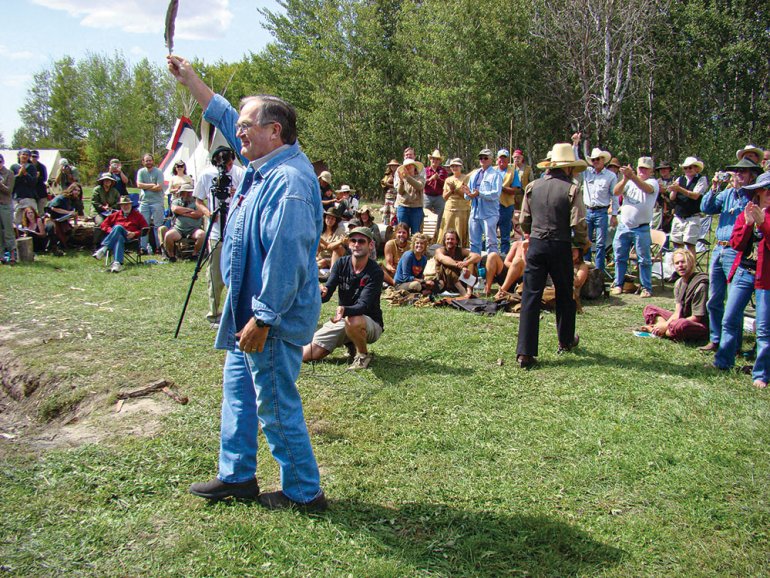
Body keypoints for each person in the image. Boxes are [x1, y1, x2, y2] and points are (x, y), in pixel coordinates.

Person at [169, 54, 327, 510]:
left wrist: (262, 317)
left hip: (268, 319)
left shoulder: (289, 182)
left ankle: (304, 493)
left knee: (275, 405)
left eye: (245, 126)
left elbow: (287, 260)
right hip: (248, 315)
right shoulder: (264, 165)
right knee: (238, 394)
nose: (237, 133)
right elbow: (219, 114)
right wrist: (192, 80)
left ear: (273, 130)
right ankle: (237, 476)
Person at [516, 143, 588, 368]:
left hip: (537, 244)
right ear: (568, 168)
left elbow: (523, 221)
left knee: (530, 296)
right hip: (560, 245)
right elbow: (579, 223)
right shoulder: (572, 189)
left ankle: (525, 353)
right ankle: (565, 340)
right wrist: (582, 243)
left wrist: (534, 232)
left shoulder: (532, 186)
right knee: (565, 294)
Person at [711, 172, 770, 387]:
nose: (769, 193)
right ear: (758, 192)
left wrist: (763, 224)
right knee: (729, 318)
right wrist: (746, 224)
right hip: (744, 271)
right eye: (766, 189)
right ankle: (723, 361)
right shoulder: (748, 211)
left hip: (766, 278)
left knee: (764, 329)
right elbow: (736, 244)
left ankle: (761, 374)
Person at [698, 157, 762, 352]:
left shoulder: (752, 197)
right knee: (714, 297)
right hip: (719, 247)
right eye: (736, 171)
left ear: (752, 176)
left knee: (734, 300)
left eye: (743, 172)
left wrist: (741, 190)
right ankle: (716, 339)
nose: (738, 175)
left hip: (737, 250)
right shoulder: (726, 194)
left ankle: (732, 344)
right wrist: (715, 187)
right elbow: (706, 208)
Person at [303, 226, 384, 370]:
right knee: (308, 354)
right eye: (353, 240)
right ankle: (350, 343)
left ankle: (363, 355)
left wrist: (343, 310)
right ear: (349, 243)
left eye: (361, 241)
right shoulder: (341, 264)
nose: (356, 244)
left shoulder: (375, 272)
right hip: (344, 318)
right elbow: (327, 294)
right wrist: (319, 292)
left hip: (369, 322)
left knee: (353, 319)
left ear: (370, 245)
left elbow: (363, 306)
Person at [193, 145, 246, 327]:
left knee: (237, 272)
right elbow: (198, 201)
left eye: (231, 163)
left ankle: (235, 312)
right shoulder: (207, 175)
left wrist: (238, 196)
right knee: (215, 273)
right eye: (225, 164)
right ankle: (214, 313)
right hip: (216, 231)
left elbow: (250, 197)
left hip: (237, 230)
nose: (228, 167)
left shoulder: (240, 173)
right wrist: (209, 213)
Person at [611, 157, 660, 298]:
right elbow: (616, 192)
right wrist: (626, 179)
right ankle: (618, 284)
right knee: (619, 256)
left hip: (641, 228)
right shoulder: (630, 182)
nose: (642, 171)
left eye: (645, 168)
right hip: (624, 226)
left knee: (644, 260)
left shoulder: (653, 182)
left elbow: (646, 188)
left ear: (651, 171)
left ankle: (646, 287)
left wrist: (632, 176)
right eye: (640, 168)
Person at [641, 248, 709, 341]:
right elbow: (678, 312)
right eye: (677, 263)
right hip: (682, 317)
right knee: (649, 309)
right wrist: (666, 324)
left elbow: (697, 317)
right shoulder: (679, 283)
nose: (680, 266)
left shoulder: (701, 285)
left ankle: (661, 330)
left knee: (680, 325)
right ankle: (661, 328)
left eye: (683, 262)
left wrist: (667, 325)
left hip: (696, 323)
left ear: (691, 263)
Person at [581, 147, 618, 272]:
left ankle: (599, 272)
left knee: (601, 244)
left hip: (601, 211)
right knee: (586, 242)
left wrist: (614, 215)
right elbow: (576, 161)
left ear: (603, 160)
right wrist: (575, 145)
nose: (595, 161)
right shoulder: (586, 172)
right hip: (587, 211)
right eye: (593, 159)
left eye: (597, 159)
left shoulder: (610, 176)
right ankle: (585, 269)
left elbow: (615, 196)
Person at [92, 195, 148, 273]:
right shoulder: (115, 215)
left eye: (127, 204)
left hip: (130, 239)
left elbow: (145, 229)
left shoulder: (138, 215)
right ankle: (117, 264)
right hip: (118, 238)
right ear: (120, 206)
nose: (125, 206)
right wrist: (112, 231)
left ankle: (104, 249)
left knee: (118, 227)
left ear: (131, 205)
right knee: (118, 235)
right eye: (123, 205)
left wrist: (134, 233)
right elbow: (103, 225)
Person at [667, 156, 708, 258]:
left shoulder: (701, 179)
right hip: (678, 216)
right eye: (686, 168)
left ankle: (691, 269)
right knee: (677, 244)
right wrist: (674, 190)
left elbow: (695, 195)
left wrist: (679, 188)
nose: (688, 170)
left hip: (692, 216)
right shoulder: (679, 179)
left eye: (690, 167)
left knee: (690, 244)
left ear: (696, 168)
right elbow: (672, 198)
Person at [466, 148, 503, 256]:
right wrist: (467, 194)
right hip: (475, 212)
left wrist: (480, 194)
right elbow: (468, 192)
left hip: (489, 214)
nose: (482, 160)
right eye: (481, 158)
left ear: (491, 159)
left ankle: (492, 269)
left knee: (491, 243)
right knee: (473, 243)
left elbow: (496, 194)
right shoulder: (474, 174)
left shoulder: (496, 175)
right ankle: (475, 268)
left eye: (485, 158)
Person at [164, 183, 205, 261]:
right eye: (187, 192)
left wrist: (183, 212)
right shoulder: (176, 201)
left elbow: (199, 214)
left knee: (202, 235)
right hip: (178, 229)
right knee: (168, 235)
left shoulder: (197, 202)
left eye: (191, 192)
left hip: (194, 229)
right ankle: (171, 256)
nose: (189, 194)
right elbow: (175, 209)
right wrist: (191, 211)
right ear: (182, 193)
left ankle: (194, 254)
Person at [434, 229, 480, 296]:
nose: (450, 241)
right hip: (445, 280)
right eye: (448, 239)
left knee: (471, 262)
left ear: (456, 241)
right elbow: (443, 259)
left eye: (452, 239)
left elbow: (477, 256)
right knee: (447, 265)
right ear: (444, 241)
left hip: (461, 279)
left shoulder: (460, 250)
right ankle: (463, 291)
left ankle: (469, 290)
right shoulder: (440, 250)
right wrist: (460, 266)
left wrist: (466, 263)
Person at [136, 153, 166, 253]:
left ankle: (159, 247)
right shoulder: (141, 172)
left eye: (150, 160)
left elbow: (159, 187)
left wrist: (146, 186)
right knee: (144, 226)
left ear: (153, 161)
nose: (148, 162)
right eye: (146, 160)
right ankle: (143, 248)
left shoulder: (158, 172)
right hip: (144, 202)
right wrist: (152, 185)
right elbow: (139, 185)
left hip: (157, 202)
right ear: (143, 162)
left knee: (158, 226)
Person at [437, 158, 470, 247]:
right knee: (446, 228)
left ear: (461, 167)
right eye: (452, 166)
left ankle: (460, 248)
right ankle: (444, 248)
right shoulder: (448, 179)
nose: (454, 168)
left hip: (462, 209)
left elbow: (466, 196)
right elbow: (444, 197)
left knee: (460, 230)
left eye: (456, 166)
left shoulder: (466, 178)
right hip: (449, 208)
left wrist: (456, 189)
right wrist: (451, 191)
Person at [496, 149, 522, 255]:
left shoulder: (513, 172)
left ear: (507, 159)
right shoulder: (491, 171)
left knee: (505, 236)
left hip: (506, 207)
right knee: (489, 234)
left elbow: (515, 190)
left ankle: (504, 257)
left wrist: (501, 188)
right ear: (497, 159)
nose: (502, 160)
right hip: (492, 207)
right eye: (500, 158)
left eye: (504, 158)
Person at [46, 183, 81, 255]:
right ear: (71, 190)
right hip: (51, 218)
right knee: (54, 230)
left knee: (68, 231)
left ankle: (64, 246)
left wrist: (75, 224)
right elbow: (53, 208)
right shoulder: (62, 198)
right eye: (75, 190)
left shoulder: (75, 200)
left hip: (62, 219)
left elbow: (75, 212)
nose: (77, 192)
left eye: (78, 191)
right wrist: (68, 212)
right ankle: (53, 247)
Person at [395, 159, 425, 235]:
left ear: (414, 167)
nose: (408, 167)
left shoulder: (420, 178)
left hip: (416, 208)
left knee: (416, 232)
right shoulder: (402, 178)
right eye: (406, 166)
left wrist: (408, 177)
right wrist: (401, 181)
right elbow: (400, 192)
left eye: (410, 165)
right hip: (403, 207)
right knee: (402, 231)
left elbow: (419, 186)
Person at [424, 149, 448, 241]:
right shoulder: (425, 170)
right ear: (431, 160)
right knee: (425, 217)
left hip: (439, 197)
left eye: (437, 159)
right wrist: (430, 179)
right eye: (433, 159)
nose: (435, 161)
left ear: (439, 161)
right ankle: (425, 238)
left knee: (439, 218)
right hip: (427, 196)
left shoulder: (443, 171)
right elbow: (421, 183)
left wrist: (438, 179)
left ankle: (436, 238)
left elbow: (445, 184)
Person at [11, 148, 38, 226]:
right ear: (19, 155)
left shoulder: (31, 167)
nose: (25, 156)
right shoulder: (14, 167)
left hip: (28, 196)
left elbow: (33, 182)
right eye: (23, 154)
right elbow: (11, 182)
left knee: (31, 219)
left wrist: (26, 174)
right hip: (17, 197)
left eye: (27, 155)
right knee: (17, 219)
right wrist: (19, 175)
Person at [317, 207, 347, 271]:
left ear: (335, 221)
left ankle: (332, 271)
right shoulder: (320, 231)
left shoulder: (339, 231)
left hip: (334, 258)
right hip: (321, 257)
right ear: (325, 218)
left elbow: (332, 247)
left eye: (332, 219)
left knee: (339, 247)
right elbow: (318, 250)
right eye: (328, 217)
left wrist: (322, 242)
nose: (330, 220)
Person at [0, 154, 17, 263]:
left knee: (8, 230)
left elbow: (9, 190)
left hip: (5, 205)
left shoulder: (9, 173)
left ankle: (12, 254)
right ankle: (1, 255)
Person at [383, 221, 410, 285]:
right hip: (393, 271)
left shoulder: (411, 246)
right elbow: (388, 264)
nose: (401, 235)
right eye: (399, 232)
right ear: (395, 234)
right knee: (379, 268)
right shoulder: (390, 244)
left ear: (407, 234)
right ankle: (393, 282)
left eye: (404, 233)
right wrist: (392, 269)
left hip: (406, 272)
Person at [653, 161, 675, 232]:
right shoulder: (656, 182)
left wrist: (665, 191)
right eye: (661, 169)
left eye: (665, 169)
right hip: (658, 210)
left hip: (671, 209)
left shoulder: (674, 181)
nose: (663, 170)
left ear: (669, 169)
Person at [380, 159, 400, 226]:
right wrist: (384, 184)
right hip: (388, 196)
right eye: (392, 166)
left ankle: (393, 226)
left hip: (396, 196)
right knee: (386, 212)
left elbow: (397, 185)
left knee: (394, 213)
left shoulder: (399, 174)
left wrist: (388, 184)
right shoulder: (388, 174)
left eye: (395, 166)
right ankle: (386, 226)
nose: (393, 167)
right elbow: (383, 183)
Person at [29, 150, 48, 216]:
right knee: (31, 212)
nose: (33, 158)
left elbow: (45, 178)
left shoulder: (42, 167)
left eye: (35, 157)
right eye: (32, 156)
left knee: (41, 212)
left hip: (40, 192)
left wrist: (37, 178)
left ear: (38, 157)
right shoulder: (27, 166)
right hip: (30, 193)